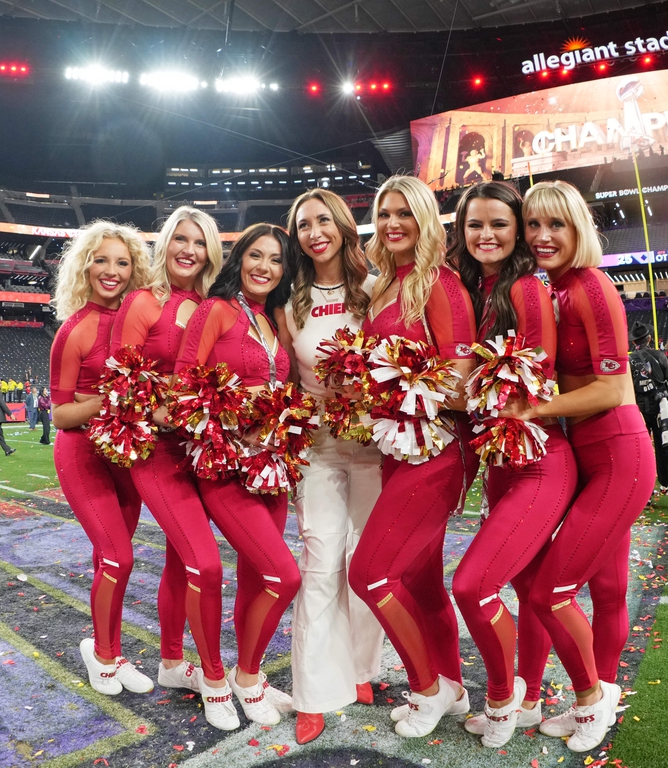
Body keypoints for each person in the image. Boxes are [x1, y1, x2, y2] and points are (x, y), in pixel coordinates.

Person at [501, 180, 653, 752]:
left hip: (619, 456)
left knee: (548, 591)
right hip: (595, 458)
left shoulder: (589, 287)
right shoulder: (556, 289)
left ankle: (593, 700)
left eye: (555, 225)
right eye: (533, 224)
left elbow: (614, 388)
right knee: (610, 588)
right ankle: (602, 697)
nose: (542, 236)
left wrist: (533, 408)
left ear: (577, 229)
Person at [344, 176, 479, 739]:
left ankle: (423, 688)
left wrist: (393, 388)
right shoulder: (381, 288)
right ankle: (450, 687)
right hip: (397, 450)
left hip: (440, 448)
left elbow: (461, 382)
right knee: (421, 583)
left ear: (426, 220)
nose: (394, 223)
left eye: (405, 213)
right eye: (385, 213)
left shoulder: (441, 285)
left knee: (371, 574)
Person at [446, 181, 576, 747]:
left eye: (499, 224)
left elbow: (537, 371)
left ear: (517, 229)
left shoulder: (524, 285)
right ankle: (525, 695)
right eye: (475, 225)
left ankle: (501, 701)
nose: (486, 235)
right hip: (505, 460)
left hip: (539, 458)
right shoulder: (483, 287)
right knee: (520, 585)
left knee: (472, 585)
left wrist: (446, 389)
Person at [108, 206, 240, 729]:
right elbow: (123, 379)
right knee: (206, 566)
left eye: (199, 242)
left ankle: (169, 663)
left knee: (180, 561)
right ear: (164, 245)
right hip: (159, 452)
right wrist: (170, 415)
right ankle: (213, 680)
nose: (188, 250)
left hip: (202, 453)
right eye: (179, 239)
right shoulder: (143, 302)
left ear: (211, 251)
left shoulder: (215, 305)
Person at [176, 223, 300, 725]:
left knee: (257, 579)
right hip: (224, 465)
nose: (264, 267)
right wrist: (238, 408)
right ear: (238, 259)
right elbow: (185, 382)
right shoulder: (216, 310)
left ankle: (250, 676)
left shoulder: (273, 320)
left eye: (275, 259)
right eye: (255, 255)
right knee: (284, 575)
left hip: (272, 466)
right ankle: (236, 677)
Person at [277, 190, 385, 744]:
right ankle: (314, 693)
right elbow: (285, 381)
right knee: (320, 563)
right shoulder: (288, 299)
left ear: (344, 225)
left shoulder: (376, 287)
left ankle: (364, 668)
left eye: (323, 221)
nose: (314, 232)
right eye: (303, 225)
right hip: (318, 449)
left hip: (374, 445)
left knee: (369, 561)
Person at [50, 220, 152, 696]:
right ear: (84, 265)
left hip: (128, 454)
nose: (111, 271)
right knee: (118, 557)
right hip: (83, 455)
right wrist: (112, 397)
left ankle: (105, 646)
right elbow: (60, 413)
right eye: (101, 259)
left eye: (122, 262)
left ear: (136, 270)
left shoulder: (143, 327)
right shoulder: (74, 331)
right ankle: (104, 657)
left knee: (106, 560)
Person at [630, 321, 668, 493]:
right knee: (662, 446)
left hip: (638, 410)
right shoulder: (659, 355)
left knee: (641, 451)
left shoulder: (629, 360)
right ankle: (664, 482)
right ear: (649, 338)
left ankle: (643, 490)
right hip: (659, 407)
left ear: (634, 342)